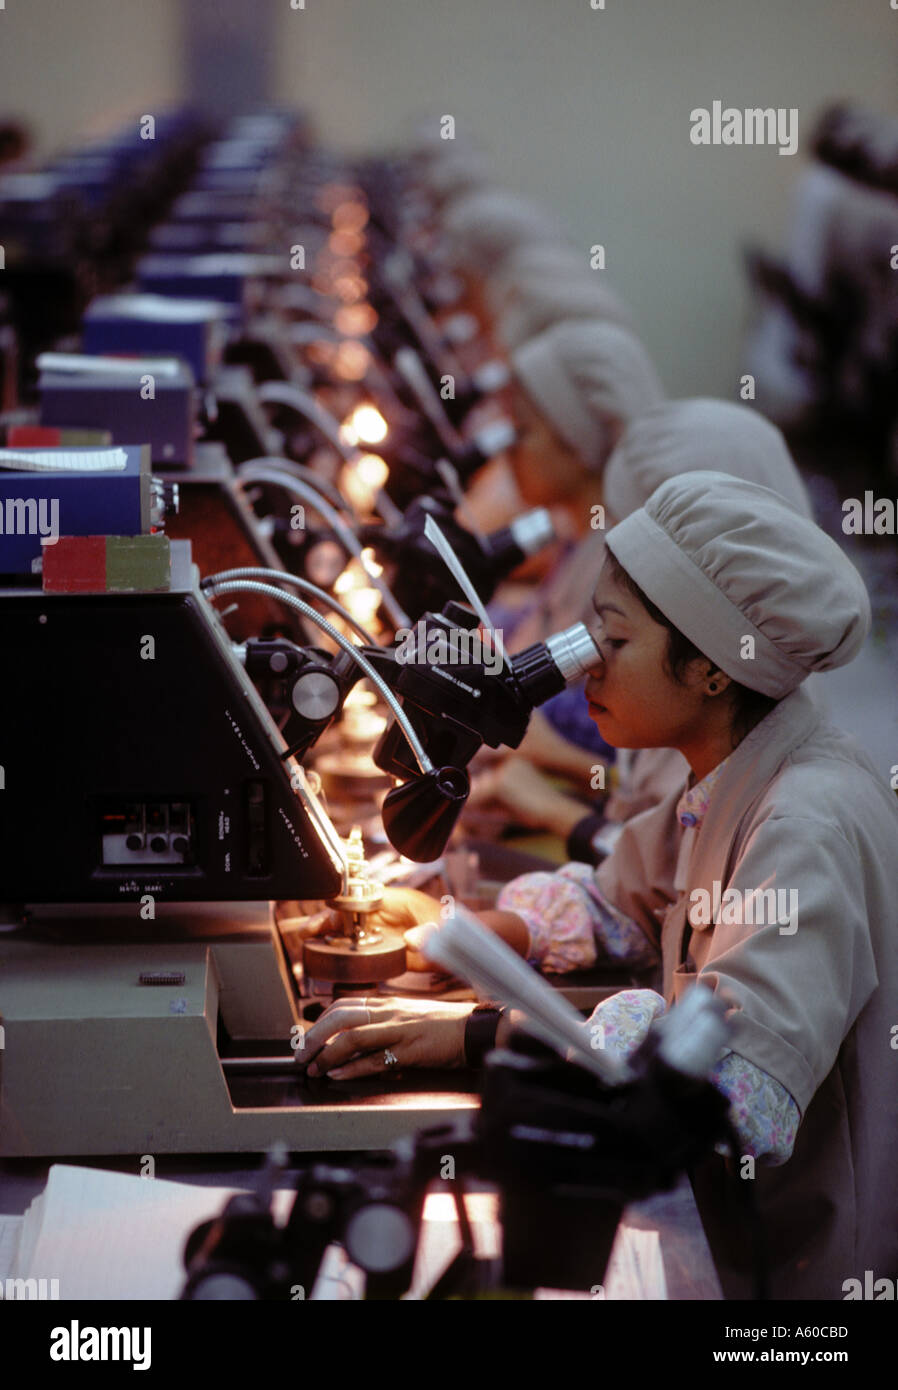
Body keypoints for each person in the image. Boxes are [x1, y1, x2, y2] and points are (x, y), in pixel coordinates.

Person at [299, 471, 898, 1300]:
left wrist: (478, 1034)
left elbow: (734, 1088)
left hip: (795, 1286)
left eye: (610, 643)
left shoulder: (803, 820)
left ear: (714, 671)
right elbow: (624, 899)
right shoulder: (732, 770)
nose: (584, 672)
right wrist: (450, 929)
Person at [471, 398, 814, 849]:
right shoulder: (686, 656)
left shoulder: (786, 806)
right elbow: (640, 872)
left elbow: (660, 878)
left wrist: (555, 789)